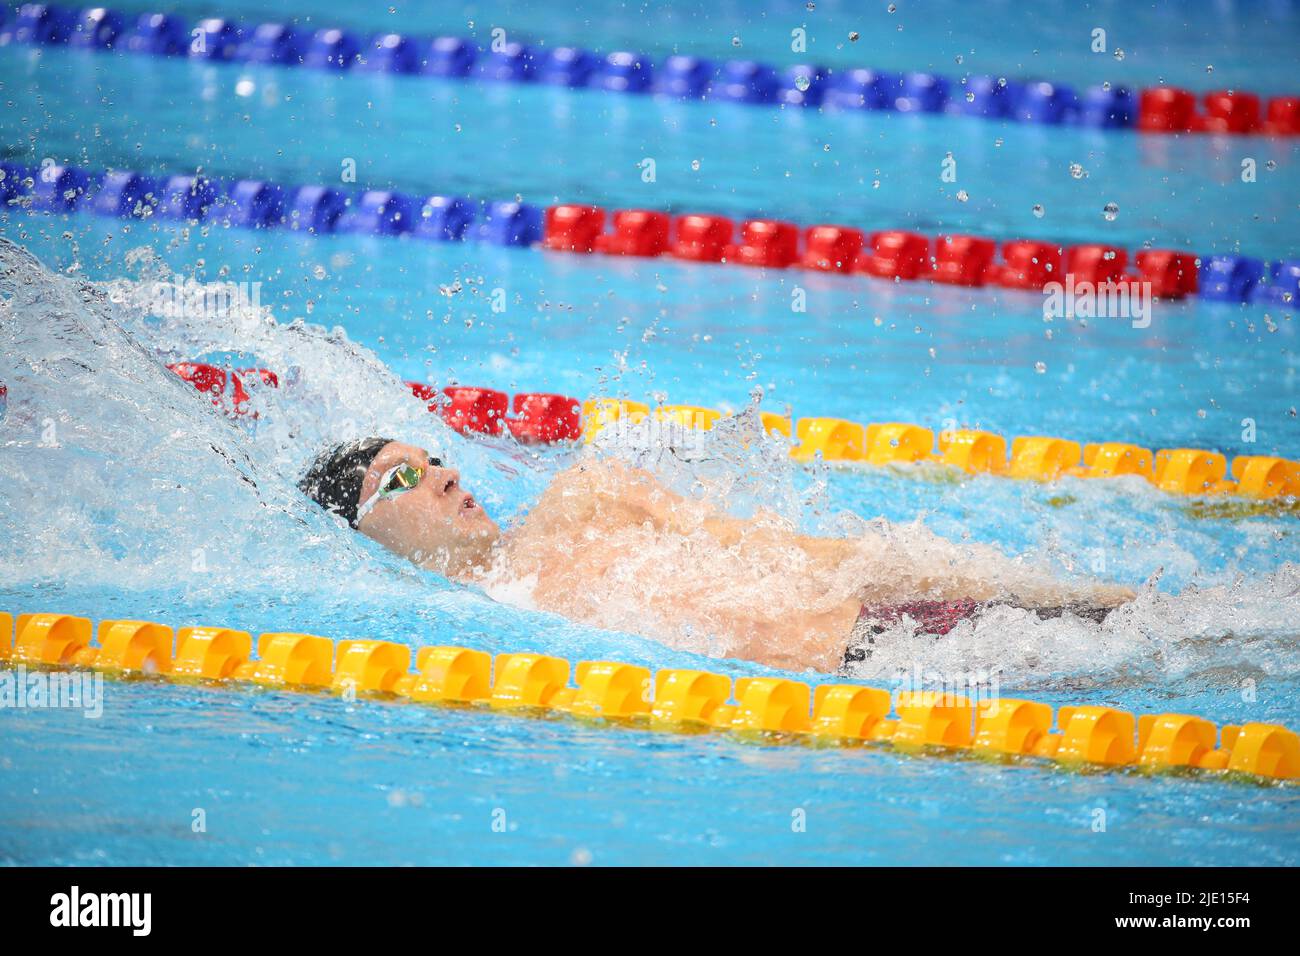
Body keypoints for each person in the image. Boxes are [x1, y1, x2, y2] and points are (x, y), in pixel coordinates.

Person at [299, 437, 1134, 672]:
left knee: (1165, 632)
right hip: (865, 683)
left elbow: (821, 553)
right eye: (403, 475)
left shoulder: (585, 497)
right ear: (363, 532)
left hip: (913, 633)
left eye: (435, 458)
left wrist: (1036, 586)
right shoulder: (456, 644)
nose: (444, 474)